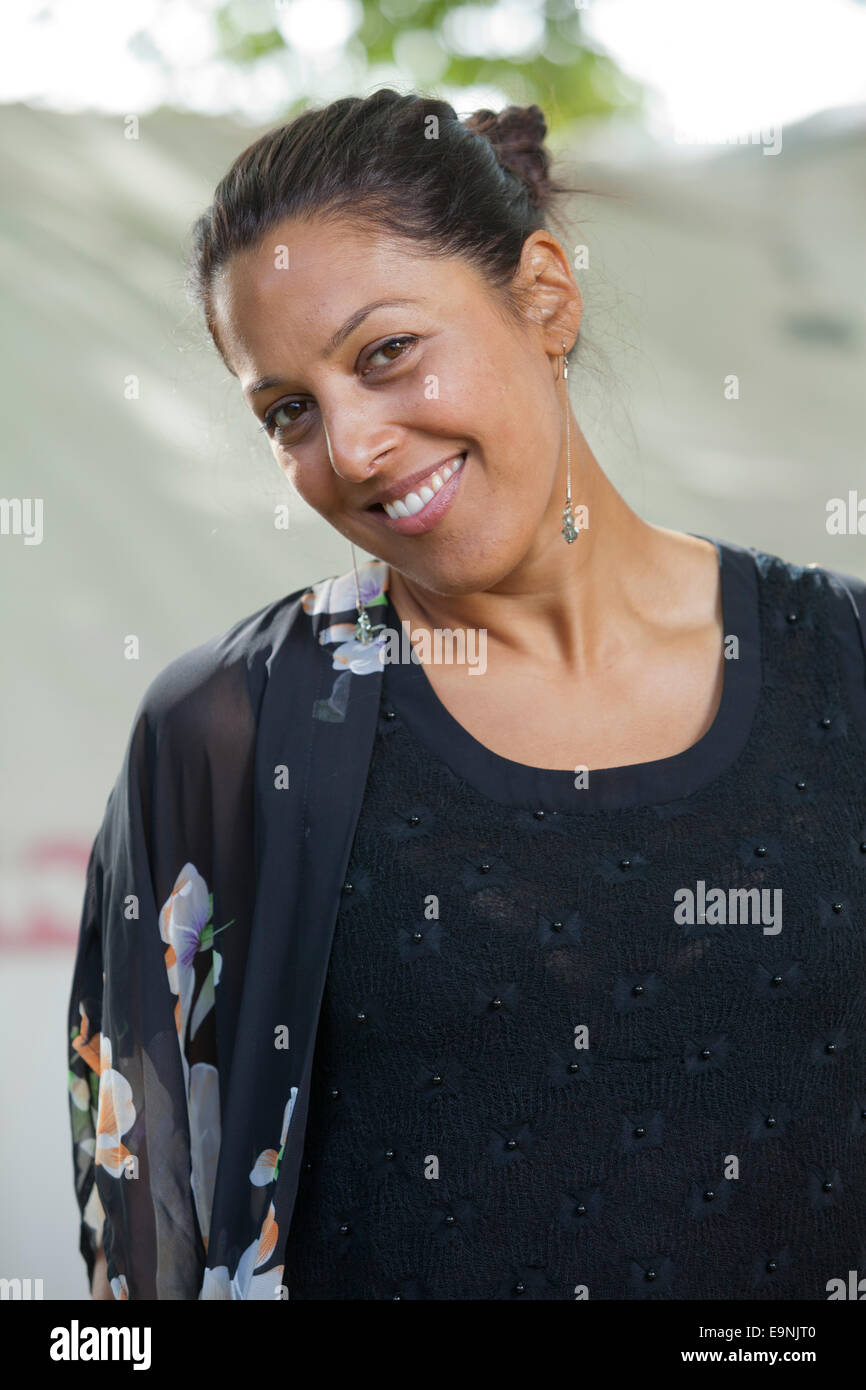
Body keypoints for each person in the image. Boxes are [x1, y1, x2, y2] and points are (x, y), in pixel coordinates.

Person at [68, 89, 866, 1301]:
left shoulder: (844, 664)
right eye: (289, 412)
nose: (350, 449)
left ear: (543, 295)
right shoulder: (230, 731)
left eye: (384, 352)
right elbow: (141, 1252)